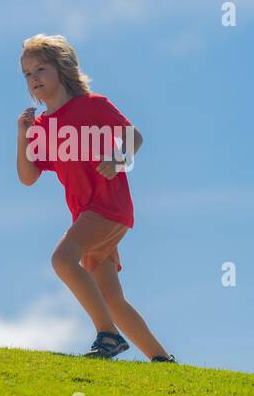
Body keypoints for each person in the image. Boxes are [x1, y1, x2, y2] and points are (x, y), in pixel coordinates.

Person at [15, 34, 177, 363]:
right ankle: (162, 360)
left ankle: (108, 336)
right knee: (112, 298)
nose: (34, 79)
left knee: (62, 260)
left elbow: (135, 137)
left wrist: (117, 159)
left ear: (62, 70)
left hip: (107, 209)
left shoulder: (93, 105)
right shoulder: (42, 127)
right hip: (87, 217)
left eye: (40, 69)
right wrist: (22, 135)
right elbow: (28, 177)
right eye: (27, 74)